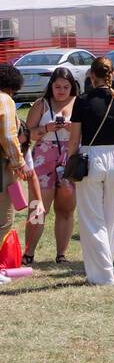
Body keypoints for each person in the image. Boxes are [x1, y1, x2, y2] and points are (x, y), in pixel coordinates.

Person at [66, 57, 114, 286]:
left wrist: (69, 166)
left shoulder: (82, 101)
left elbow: (74, 141)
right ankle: (106, 265)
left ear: (91, 76)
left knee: (91, 218)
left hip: (90, 157)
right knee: (112, 216)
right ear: (112, 74)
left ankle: (102, 273)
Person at [23, 67, 78, 264]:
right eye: (57, 86)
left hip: (69, 157)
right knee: (38, 207)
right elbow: (26, 135)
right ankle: (28, 254)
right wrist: (46, 128)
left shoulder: (79, 103)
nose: (61, 90)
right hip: (43, 158)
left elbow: (88, 134)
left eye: (66, 86)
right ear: (51, 87)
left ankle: (61, 254)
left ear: (72, 86)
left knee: (66, 208)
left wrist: (74, 130)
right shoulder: (41, 104)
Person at [0, 63, 30, 281]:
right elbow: (10, 137)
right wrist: (20, 163)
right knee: (3, 219)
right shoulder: (5, 100)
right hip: (1, 166)